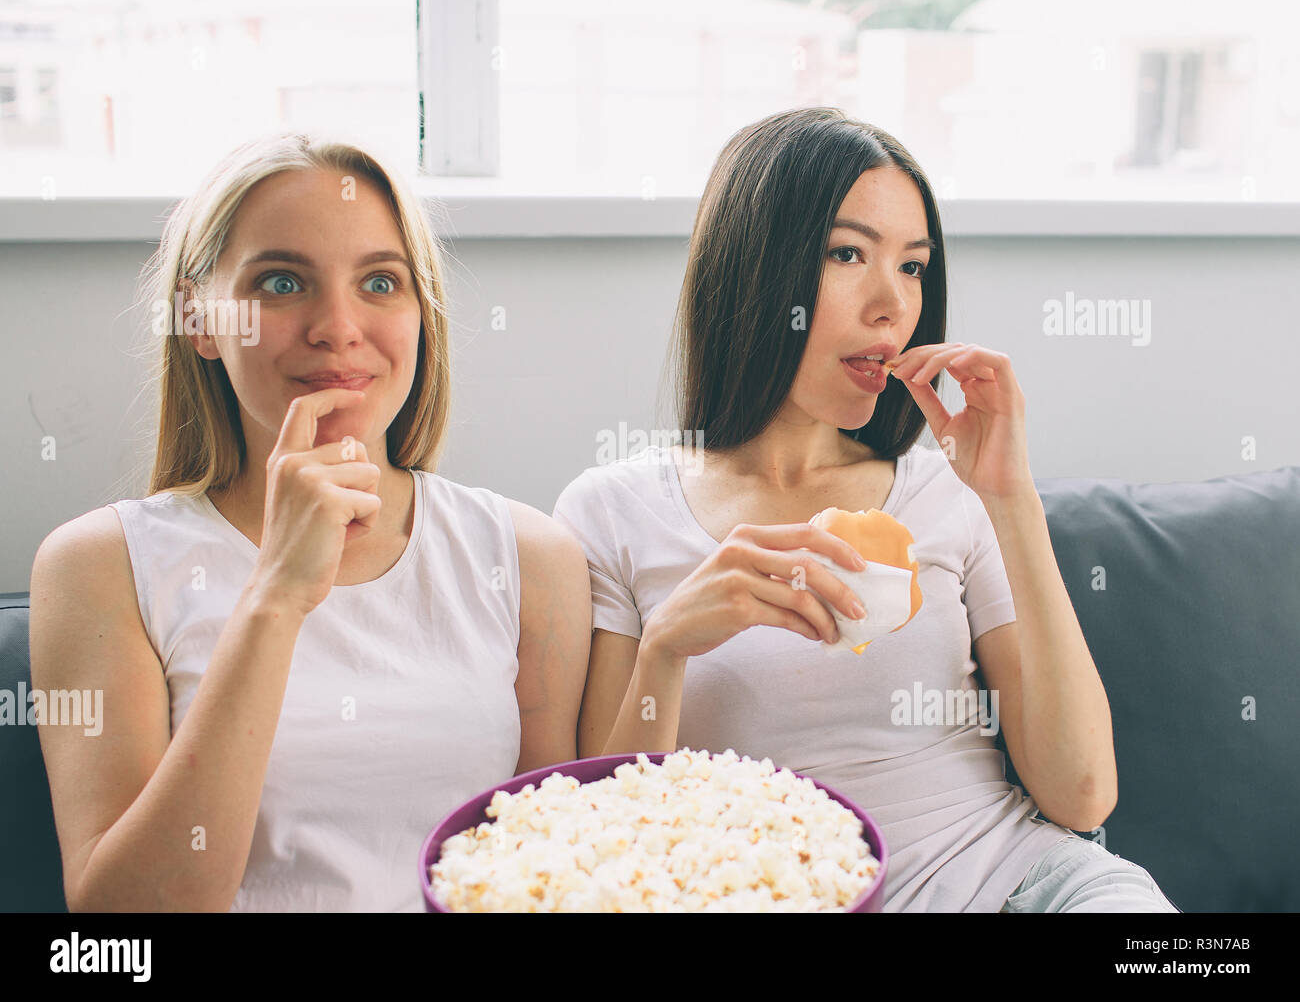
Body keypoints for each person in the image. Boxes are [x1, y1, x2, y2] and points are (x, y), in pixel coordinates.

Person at [553, 107, 1179, 913]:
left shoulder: (952, 493)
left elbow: (1082, 795)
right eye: (846, 253)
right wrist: (666, 647)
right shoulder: (611, 511)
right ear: (753, 268)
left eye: (913, 267)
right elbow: (606, 844)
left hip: (1027, 885)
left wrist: (1012, 500)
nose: (893, 305)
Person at [29, 133, 591, 912]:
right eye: (282, 282)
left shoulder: (530, 556)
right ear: (199, 319)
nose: (337, 326)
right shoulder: (99, 566)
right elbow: (125, 922)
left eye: (380, 282)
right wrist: (275, 599)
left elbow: (553, 867)